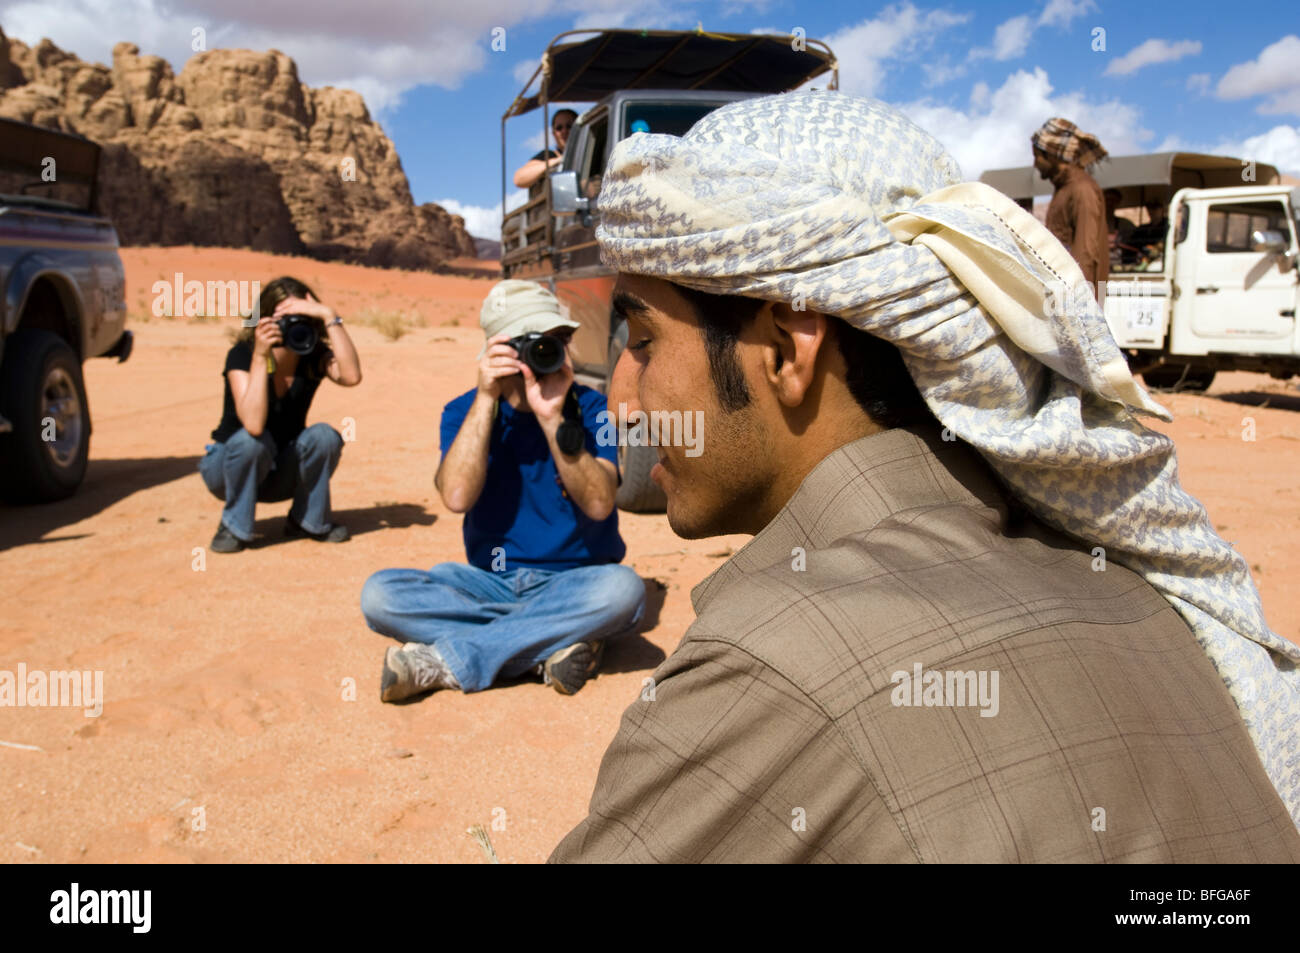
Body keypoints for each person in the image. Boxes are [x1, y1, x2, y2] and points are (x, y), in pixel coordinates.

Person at [549, 91, 1300, 862]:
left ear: (785, 349)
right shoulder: (1142, 597)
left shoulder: (767, 667)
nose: (624, 405)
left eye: (642, 338)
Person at [361, 280, 645, 701]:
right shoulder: (462, 411)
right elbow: (456, 497)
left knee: (622, 592)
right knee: (380, 595)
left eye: (555, 341)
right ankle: (550, 642)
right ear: (496, 349)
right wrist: (485, 398)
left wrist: (552, 418)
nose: (544, 354)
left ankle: (447, 660)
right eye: (531, 344)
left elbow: (601, 503)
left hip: (576, 580)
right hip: (486, 581)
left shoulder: (592, 408)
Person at [200, 277, 362, 553]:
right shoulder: (242, 354)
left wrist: (330, 315)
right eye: (285, 319)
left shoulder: (311, 355)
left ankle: (307, 521)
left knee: (325, 436)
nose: (294, 327)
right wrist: (261, 358)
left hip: (280, 469)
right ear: (264, 320)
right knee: (253, 442)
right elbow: (252, 424)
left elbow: (351, 376)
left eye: (302, 318)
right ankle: (234, 526)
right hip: (228, 469)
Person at [1031, 116, 1109, 295]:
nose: (1035, 164)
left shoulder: (1082, 189)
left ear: (1051, 155)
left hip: (1075, 301)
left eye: (1037, 157)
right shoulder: (1063, 189)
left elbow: (1086, 254)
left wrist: (1076, 305)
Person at [513, 109, 577, 189]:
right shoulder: (550, 155)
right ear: (553, 133)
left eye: (569, 126)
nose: (564, 131)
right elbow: (519, 178)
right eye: (559, 128)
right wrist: (558, 161)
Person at [1128, 200, 1169, 264]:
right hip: (1143, 260)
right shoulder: (1142, 228)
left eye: (1155, 208)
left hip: (1160, 261)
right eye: (1149, 208)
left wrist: (1156, 248)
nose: (1151, 211)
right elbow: (1132, 243)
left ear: (1162, 209)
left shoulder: (1168, 226)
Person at [1104, 187, 1137, 267]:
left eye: (1113, 200)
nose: (1110, 203)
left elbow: (1132, 245)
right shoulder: (1094, 224)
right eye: (1107, 200)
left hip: (1117, 265)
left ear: (1118, 203)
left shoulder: (1126, 224)